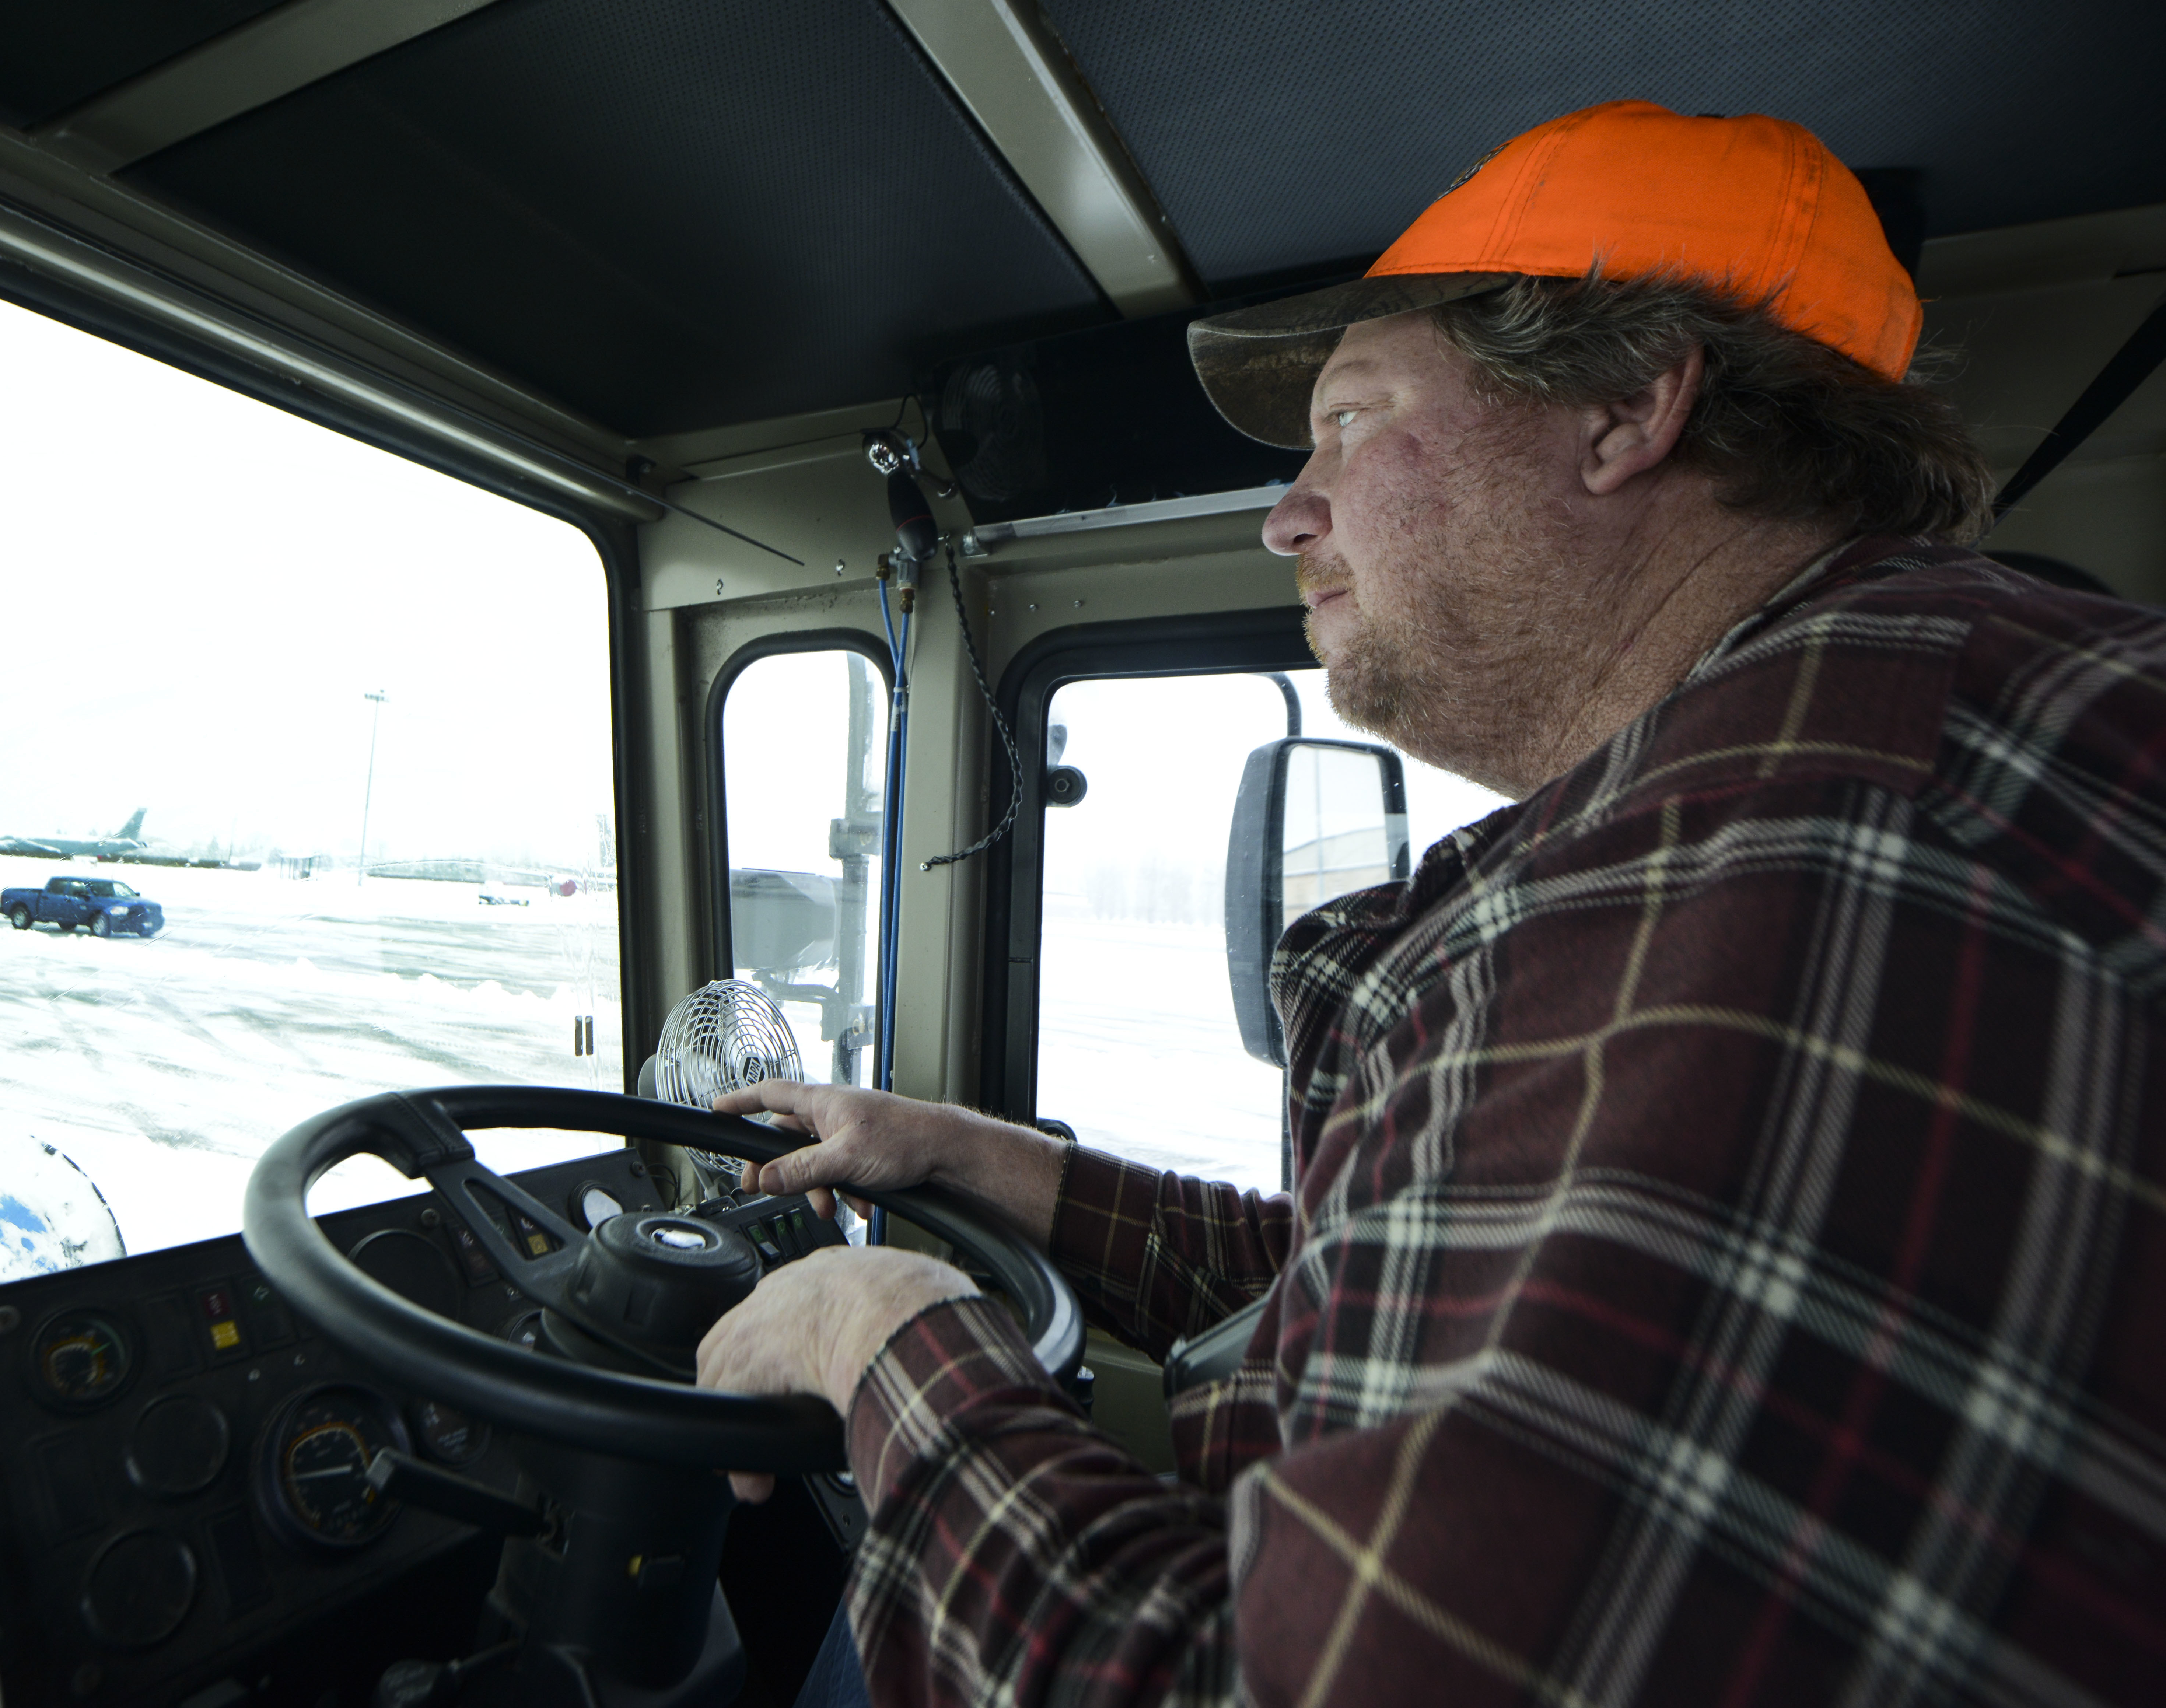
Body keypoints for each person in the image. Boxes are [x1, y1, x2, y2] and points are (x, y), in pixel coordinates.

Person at [695, 101, 2166, 1707]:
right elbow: (1392, 1285)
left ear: (1621, 411)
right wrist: (979, 1162)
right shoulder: (1884, 745)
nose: (1286, 512)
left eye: (1348, 424)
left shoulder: (1781, 854)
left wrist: (880, 1334)